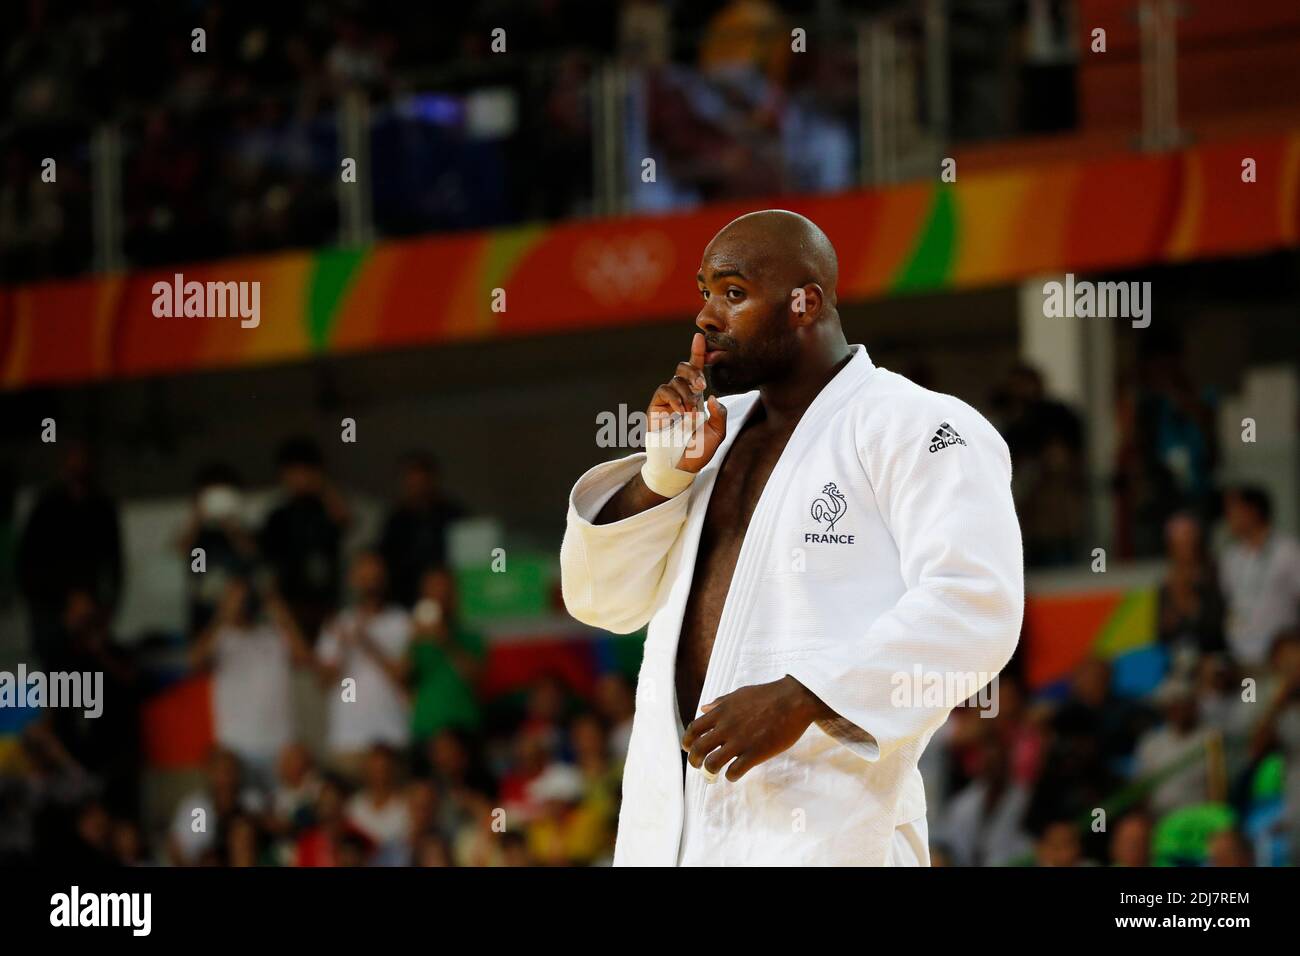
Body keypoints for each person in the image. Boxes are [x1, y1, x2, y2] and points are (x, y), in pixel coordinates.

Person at [559, 209, 1024, 865]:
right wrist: (660, 479)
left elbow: (976, 603)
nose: (706, 316)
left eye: (734, 293)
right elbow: (599, 602)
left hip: (829, 835)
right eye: (705, 292)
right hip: (673, 841)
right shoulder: (710, 435)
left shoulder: (915, 424)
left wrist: (807, 694)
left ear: (805, 302)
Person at [189, 578, 313, 792]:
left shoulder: (274, 635)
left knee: (284, 808)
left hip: (280, 747)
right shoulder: (221, 639)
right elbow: (194, 662)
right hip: (235, 748)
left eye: (245, 599)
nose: (242, 605)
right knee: (242, 811)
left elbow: (304, 658)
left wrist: (277, 608)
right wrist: (222, 615)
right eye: (236, 599)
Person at [16, 442, 122, 670]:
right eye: (74, 459)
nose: (79, 465)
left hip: (89, 609)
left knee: (90, 669)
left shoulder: (102, 506)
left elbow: (114, 564)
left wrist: (106, 608)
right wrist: (64, 601)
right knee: (57, 669)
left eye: (83, 459)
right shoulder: (47, 506)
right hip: (51, 610)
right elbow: (27, 565)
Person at [315, 551, 413, 777]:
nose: (370, 584)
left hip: (392, 736)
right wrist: (341, 647)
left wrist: (366, 642)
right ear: (353, 580)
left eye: (375, 577)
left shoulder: (402, 622)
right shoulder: (338, 623)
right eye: (364, 578)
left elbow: (403, 676)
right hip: (349, 740)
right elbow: (323, 681)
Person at [258, 437, 351, 641]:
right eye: (293, 472)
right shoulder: (278, 516)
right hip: (291, 609)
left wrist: (322, 485)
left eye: (304, 471)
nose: (299, 478)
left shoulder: (326, 509)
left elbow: (345, 521)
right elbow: (268, 565)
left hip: (328, 606)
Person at [1219, 485, 1300, 669]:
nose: (1228, 518)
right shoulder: (1230, 557)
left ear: (1253, 511)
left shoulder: (1288, 551)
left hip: (1279, 657)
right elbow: (1230, 600)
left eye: (1233, 511)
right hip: (1240, 656)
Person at [406, 567, 485, 742]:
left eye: (444, 591)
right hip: (426, 727)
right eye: (433, 591)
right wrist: (412, 641)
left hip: (462, 727)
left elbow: (475, 677)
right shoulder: (416, 638)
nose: (439, 597)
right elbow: (403, 677)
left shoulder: (470, 637)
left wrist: (445, 640)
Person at [379, 453, 465, 607]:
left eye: (421, 480)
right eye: (411, 480)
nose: (417, 485)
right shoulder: (396, 521)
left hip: (449, 596)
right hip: (405, 600)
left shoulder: (453, 515)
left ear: (433, 479)